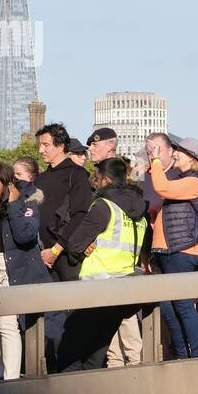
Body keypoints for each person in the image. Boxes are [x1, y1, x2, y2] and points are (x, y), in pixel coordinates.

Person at [52, 157, 149, 372]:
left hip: (95, 288)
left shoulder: (104, 206)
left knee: (70, 355)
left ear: (105, 180)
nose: (94, 183)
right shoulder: (140, 210)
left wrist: (81, 249)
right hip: (123, 290)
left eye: (96, 179)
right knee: (96, 355)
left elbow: (75, 245)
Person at [0, 162, 49, 381]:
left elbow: (25, 235)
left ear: (7, 183)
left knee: (6, 324)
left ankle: (10, 376)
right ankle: (6, 367)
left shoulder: (27, 201)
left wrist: (13, 205)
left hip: (16, 268)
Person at [144, 135, 198, 359]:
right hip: (166, 251)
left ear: (192, 158)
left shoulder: (195, 181)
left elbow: (162, 187)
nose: (175, 154)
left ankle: (195, 356)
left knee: (182, 305)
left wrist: (155, 160)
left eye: (179, 152)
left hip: (182, 251)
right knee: (167, 306)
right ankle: (182, 355)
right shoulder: (184, 181)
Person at [34, 124, 91, 283]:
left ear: (60, 146)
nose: (40, 150)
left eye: (46, 145)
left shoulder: (77, 174)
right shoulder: (40, 179)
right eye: (40, 145)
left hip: (67, 256)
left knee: (72, 303)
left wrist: (56, 249)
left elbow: (80, 215)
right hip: (42, 256)